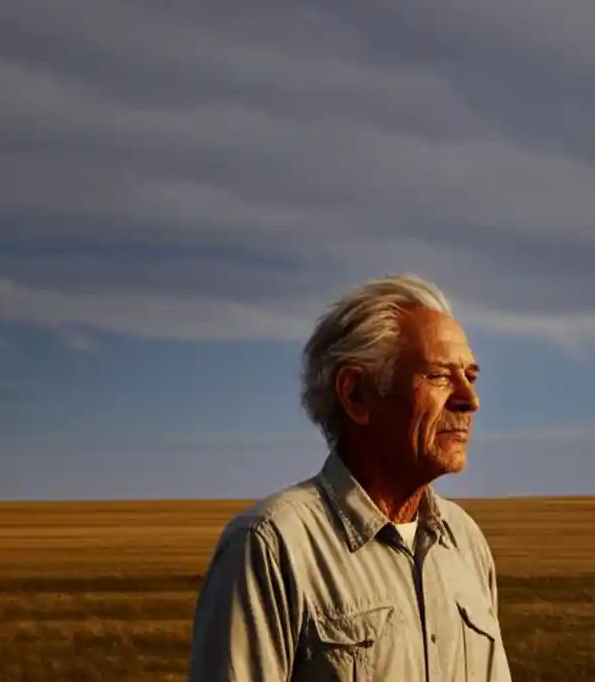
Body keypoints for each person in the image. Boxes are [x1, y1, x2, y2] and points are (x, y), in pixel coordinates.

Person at [188, 275, 511, 681]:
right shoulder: (271, 546)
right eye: (439, 376)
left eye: (471, 377)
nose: (469, 400)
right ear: (356, 393)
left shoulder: (466, 543)